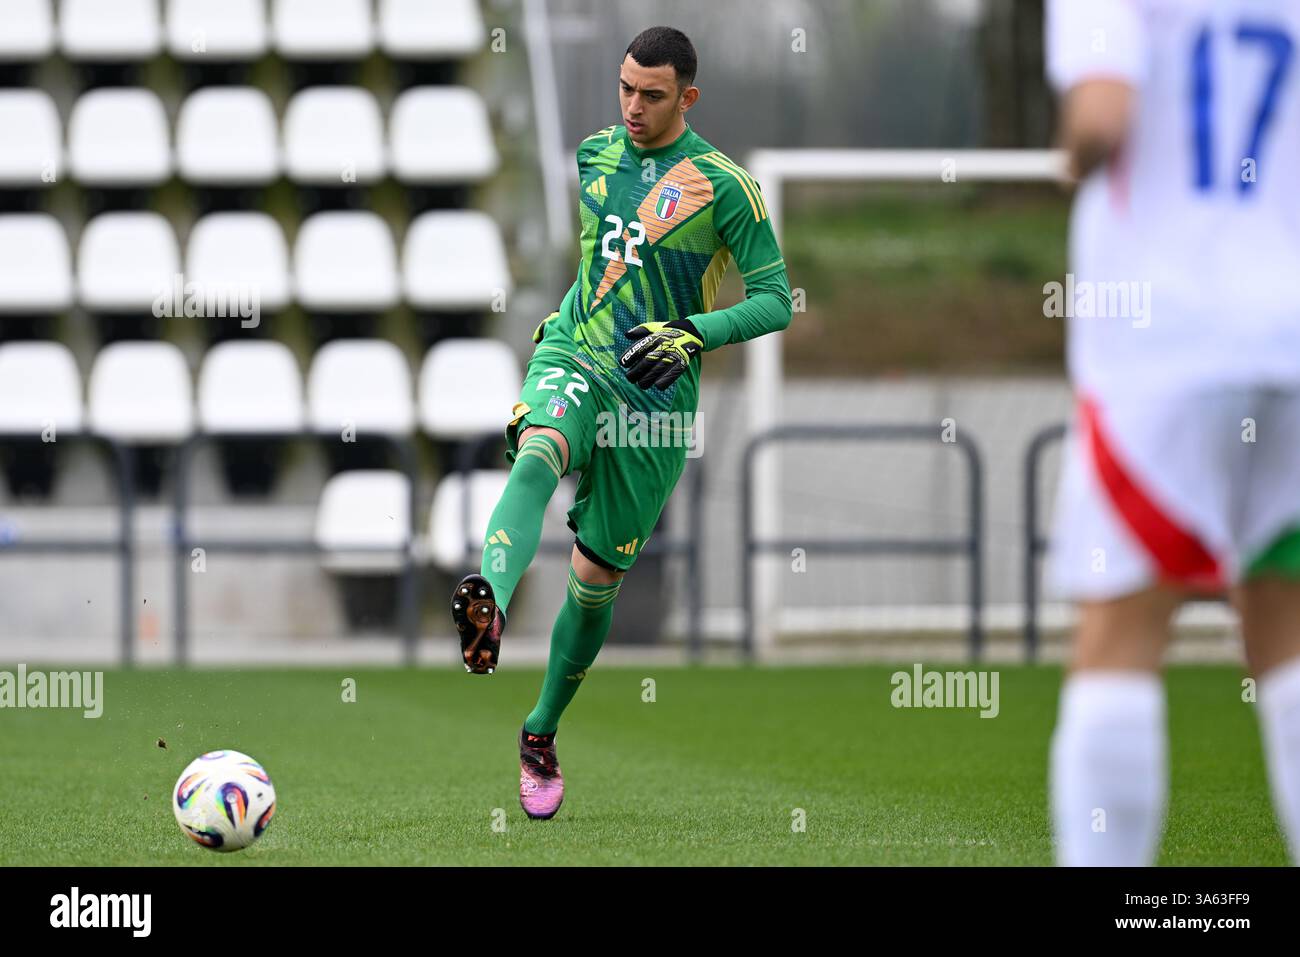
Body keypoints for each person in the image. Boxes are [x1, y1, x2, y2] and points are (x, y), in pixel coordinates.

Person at [451, 25, 792, 820]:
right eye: (624, 89)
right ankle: (490, 602)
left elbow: (776, 297)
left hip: (658, 397)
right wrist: (571, 327)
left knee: (596, 575)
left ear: (688, 97)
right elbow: (596, 263)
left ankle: (539, 731)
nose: (633, 108)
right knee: (538, 450)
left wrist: (694, 333)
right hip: (578, 354)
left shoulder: (726, 186)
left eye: (652, 95)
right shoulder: (594, 156)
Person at [1045, 0, 1300, 864]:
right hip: (1291, 334)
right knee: (1288, 625)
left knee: (1123, 623)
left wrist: (1070, 156)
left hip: (1165, 338)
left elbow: (1103, 115)